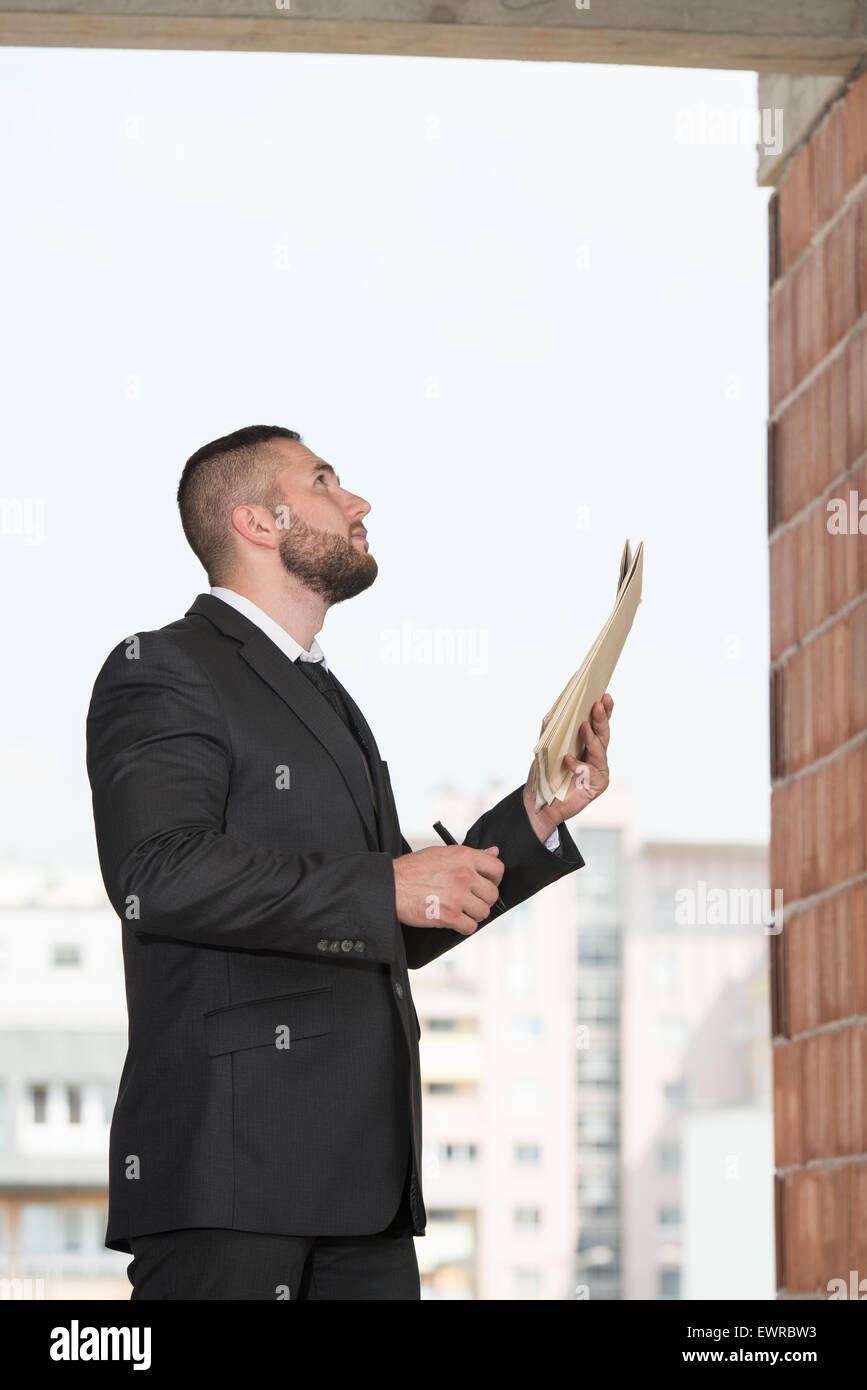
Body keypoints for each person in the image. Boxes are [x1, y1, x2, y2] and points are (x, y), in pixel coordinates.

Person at [86, 424, 614, 1300]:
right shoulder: (164, 669)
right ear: (257, 522)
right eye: (326, 480)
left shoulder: (325, 695)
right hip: (232, 1181)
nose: (358, 501)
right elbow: (157, 872)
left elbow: (380, 921)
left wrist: (533, 816)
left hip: (362, 1190)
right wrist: (384, 883)